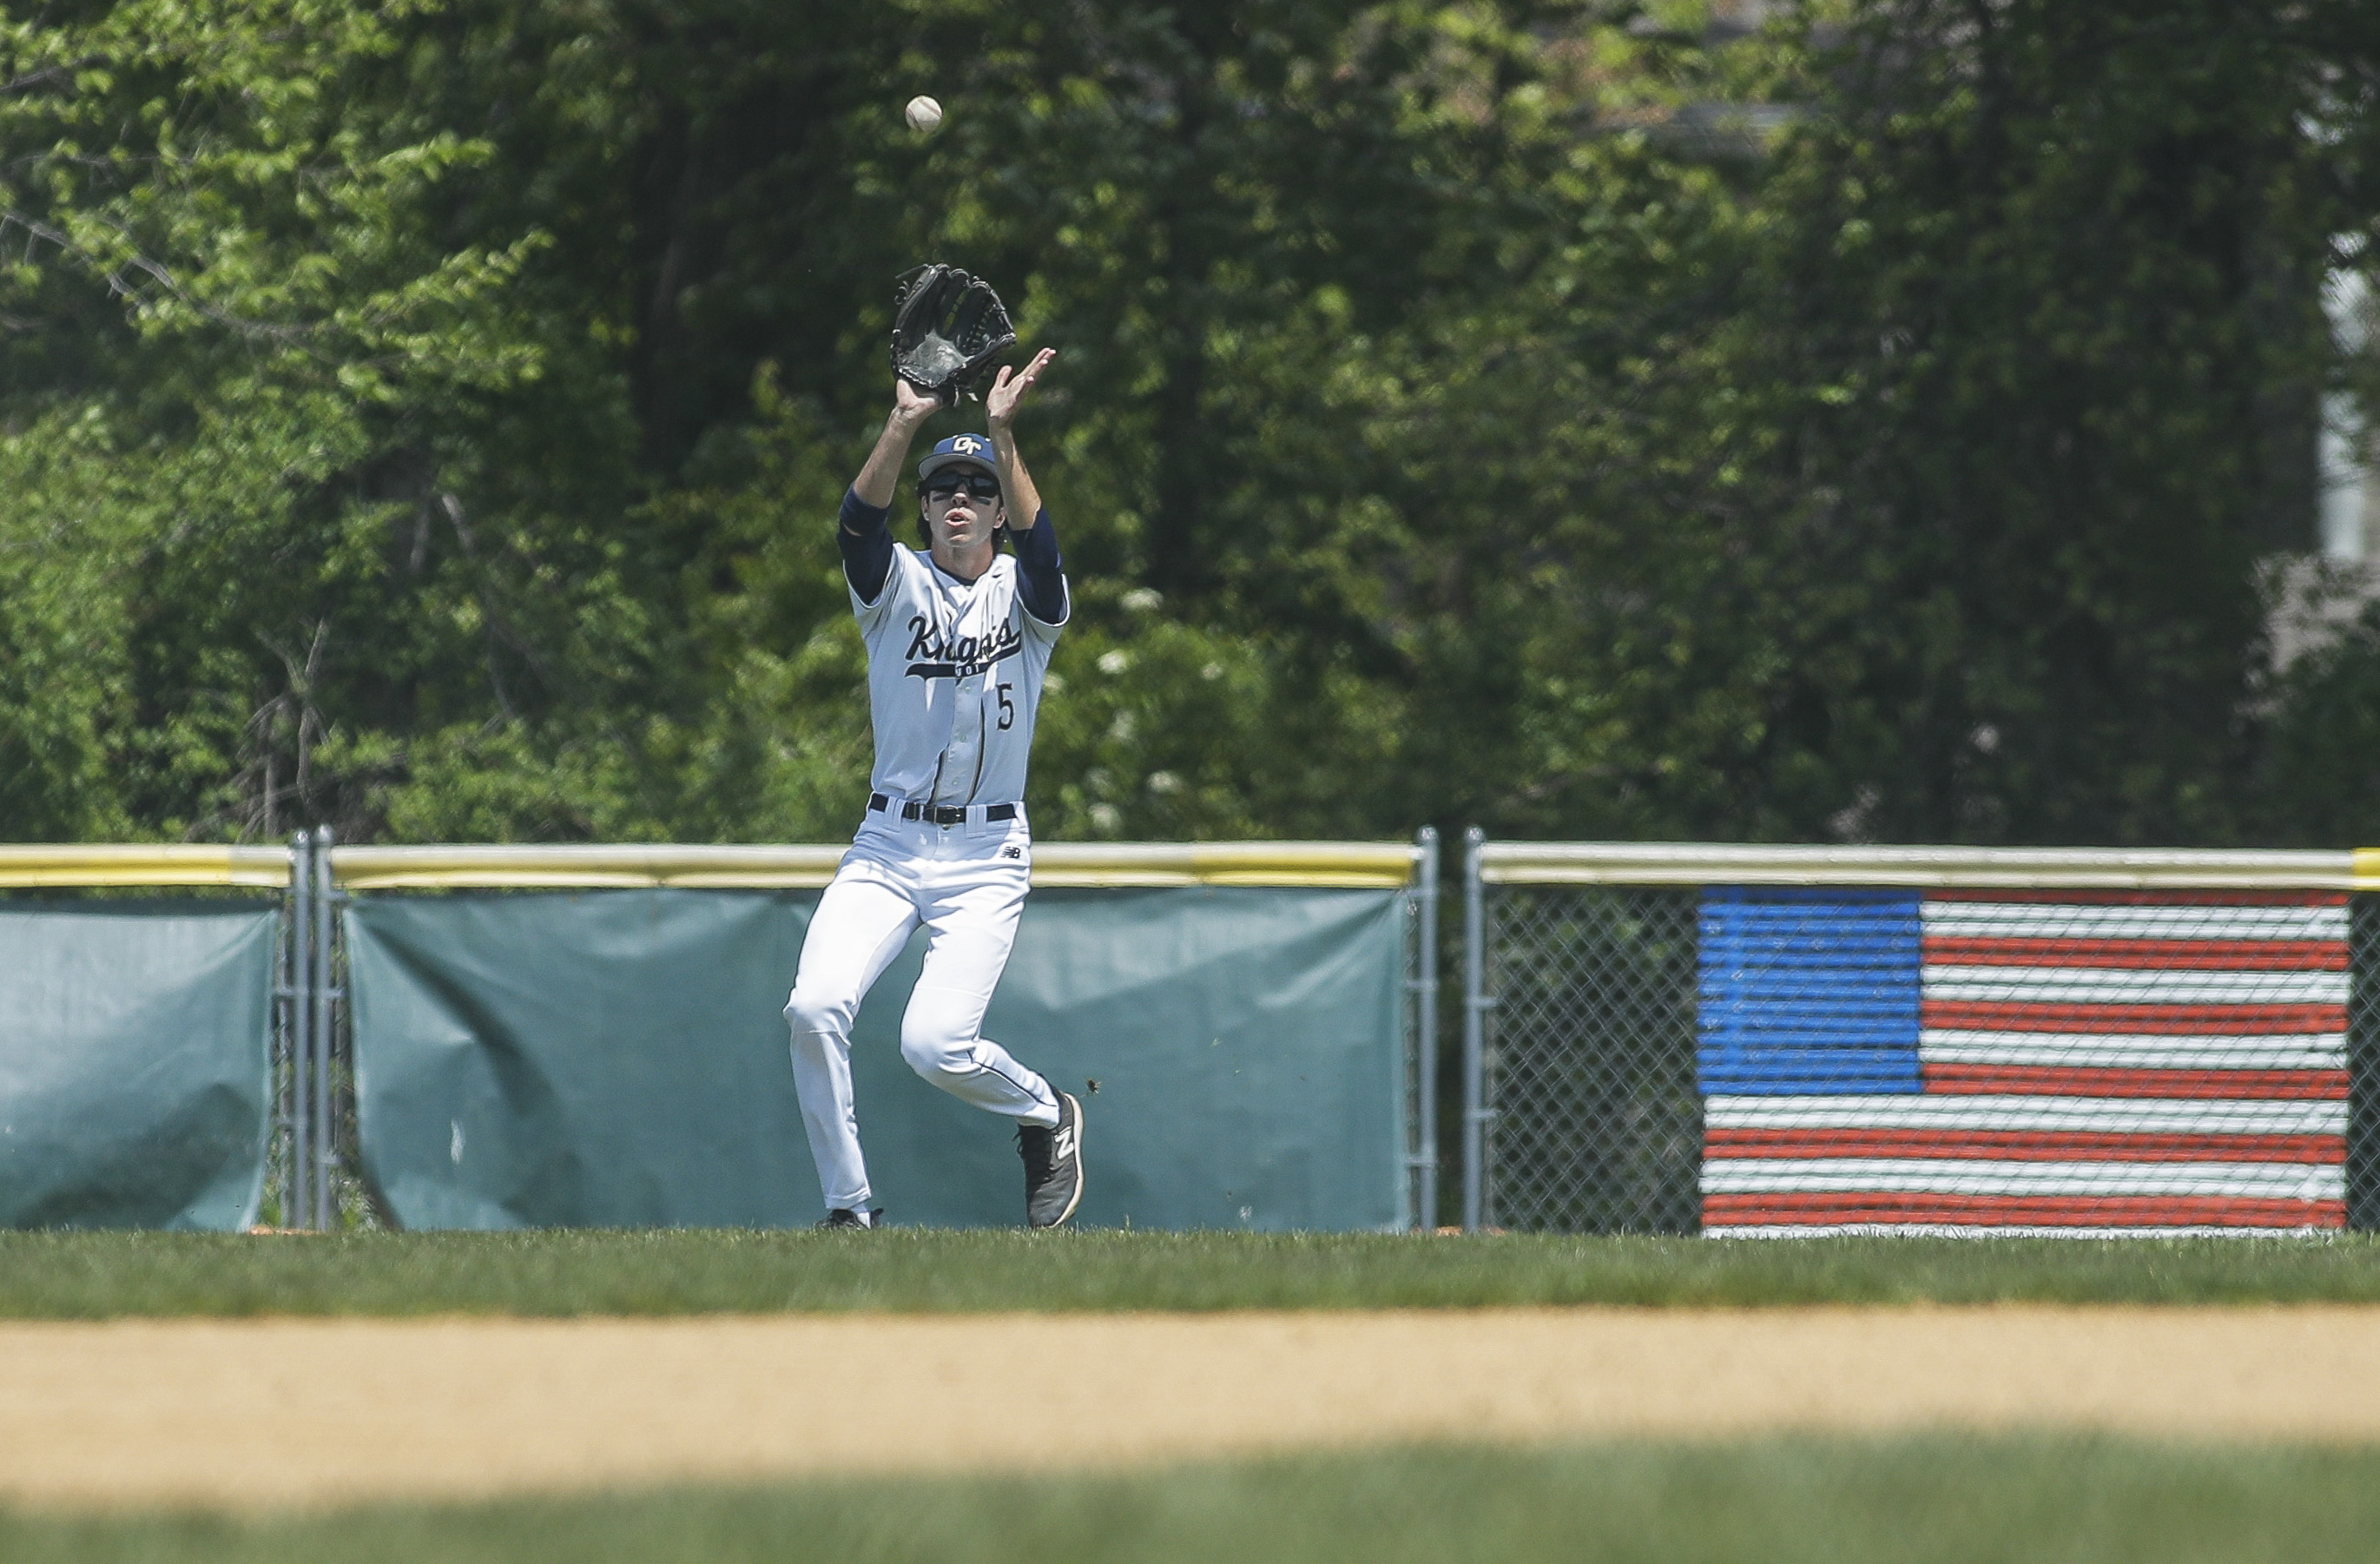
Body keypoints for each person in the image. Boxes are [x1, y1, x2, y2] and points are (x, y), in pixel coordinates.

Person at [782, 346, 1083, 1231]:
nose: (961, 500)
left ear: (996, 511)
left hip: (987, 853)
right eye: (943, 489)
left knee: (933, 1045)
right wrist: (903, 422)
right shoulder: (892, 587)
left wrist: (1000, 434)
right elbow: (852, 527)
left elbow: (1046, 547)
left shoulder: (1026, 603)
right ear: (924, 507)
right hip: (888, 845)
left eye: (977, 490)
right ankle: (849, 1211)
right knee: (812, 1006)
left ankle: (1044, 1111)